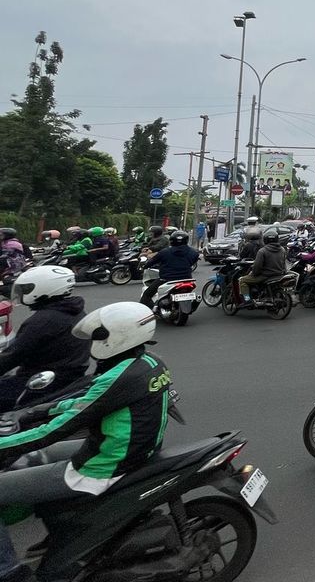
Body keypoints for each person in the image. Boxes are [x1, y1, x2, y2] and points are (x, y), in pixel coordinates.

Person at [0, 301, 170, 582]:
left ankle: (9, 572)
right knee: (38, 457)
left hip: (103, 466)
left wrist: (6, 445)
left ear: (118, 336)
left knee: (29, 458)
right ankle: (62, 534)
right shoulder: (147, 362)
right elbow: (87, 402)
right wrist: (36, 411)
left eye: (98, 337)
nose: (93, 343)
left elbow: (52, 431)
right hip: (129, 448)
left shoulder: (120, 377)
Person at [0, 266, 90, 410]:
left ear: (44, 288)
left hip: (41, 381)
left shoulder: (42, 321)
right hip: (68, 375)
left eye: (27, 288)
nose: (22, 293)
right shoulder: (74, 309)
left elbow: (13, 355)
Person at [140, 231, 198, 308]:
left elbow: (151, 261)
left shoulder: (164, 252)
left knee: (146, 296)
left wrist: (144, 266)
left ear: (172, 240)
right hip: (187, 279)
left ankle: (154, 310)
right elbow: (193, 261)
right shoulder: (193, 252)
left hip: (167, 279)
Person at [238, 230, 292, 303]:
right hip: (279, 275)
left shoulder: (262, 251)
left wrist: (254, 273)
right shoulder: (282, 249)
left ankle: (247, 300)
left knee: (242, 280)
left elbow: (257, 266)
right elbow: (283, 263)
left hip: (265, 276)